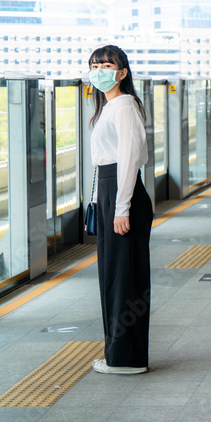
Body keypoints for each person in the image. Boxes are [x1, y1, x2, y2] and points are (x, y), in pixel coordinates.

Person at [86, 45, 153, 374]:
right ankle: (119, 354)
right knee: (114, 276)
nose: (99, 70)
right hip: (111, 194)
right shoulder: (110, 107)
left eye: (106, 64)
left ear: (122, 72)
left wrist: (121, 207)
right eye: (94, 64)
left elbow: (130, 159)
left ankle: (126, 358)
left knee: (124, 277)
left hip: (121, 194)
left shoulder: (124, 106)